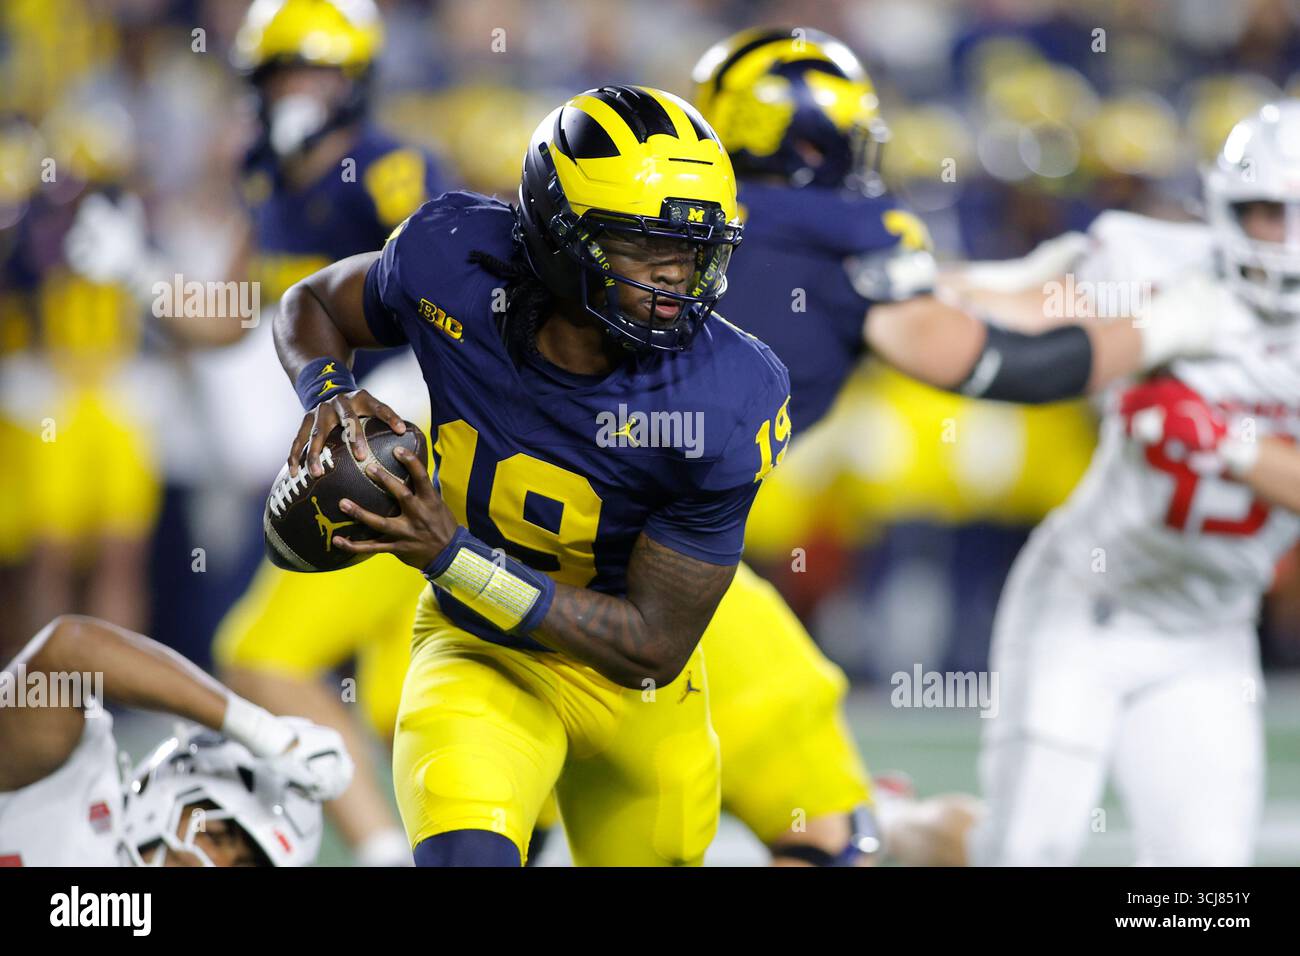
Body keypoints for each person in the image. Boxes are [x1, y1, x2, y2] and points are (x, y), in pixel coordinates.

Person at [684, 26, 1226, 866]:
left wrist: (1031, 281)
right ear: (811, 140)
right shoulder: (846, 236)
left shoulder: (667, 226)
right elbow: (1001, 364)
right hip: (661, 578)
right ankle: (888, 825)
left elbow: (920, 295)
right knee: (830, 833)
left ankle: (885, 824)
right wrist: (1159, 325)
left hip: (531, 538)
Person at [274, 85, 789, 866]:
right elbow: (313, 301)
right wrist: (328, 394)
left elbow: (651, 644)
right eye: (642, 245)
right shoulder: (452, 262)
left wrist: (452, 557)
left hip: (635, 693)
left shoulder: (727, 395)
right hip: (481, 652)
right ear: (559, 235)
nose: (676, 274)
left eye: (692, 248)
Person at [966, 101, 1300, 865]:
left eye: (1296, 215)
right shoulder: (1158, 265)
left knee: (1201, 890)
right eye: (1261, 212)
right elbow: (1034, 319)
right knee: (1027, 852)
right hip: (1087, 608)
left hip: (1211, 629)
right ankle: (917, 835)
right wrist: (944, 285)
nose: (1279, 238)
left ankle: (918, 831)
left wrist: (1224, 439)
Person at [0, 614, 354, 866]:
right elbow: (68, 653)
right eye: (212, 835)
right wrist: (264, 734)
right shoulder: (65, 786)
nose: (213, 864)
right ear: (170, 785)